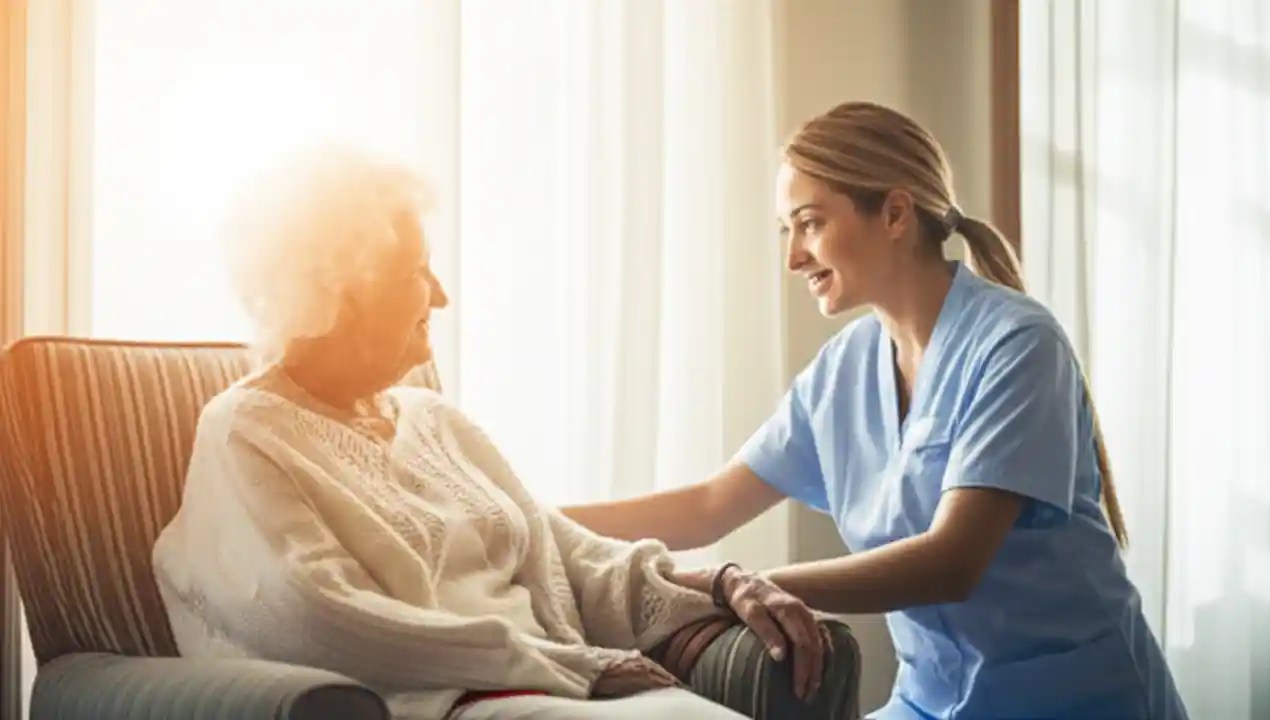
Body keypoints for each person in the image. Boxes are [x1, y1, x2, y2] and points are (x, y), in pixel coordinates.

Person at [150, 148, 843, 720]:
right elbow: (319, 617)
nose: (441, 295)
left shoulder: (433, 419)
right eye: (415, 272)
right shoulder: (248, 432)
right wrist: (569, 666)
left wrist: (724, 583)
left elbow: (567, 554)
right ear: (341, 289)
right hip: (451, 701)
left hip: (551, 685)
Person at [563, 101, 1189, 720]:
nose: (794, 258)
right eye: (789, 230)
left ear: (894, 213)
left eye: (809, 223)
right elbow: (707, 507)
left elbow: (951, 562)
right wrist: (525, 521)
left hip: (1076, 701)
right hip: (929, 705)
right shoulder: (845, 370)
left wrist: (747, 585)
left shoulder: (1017, 345)